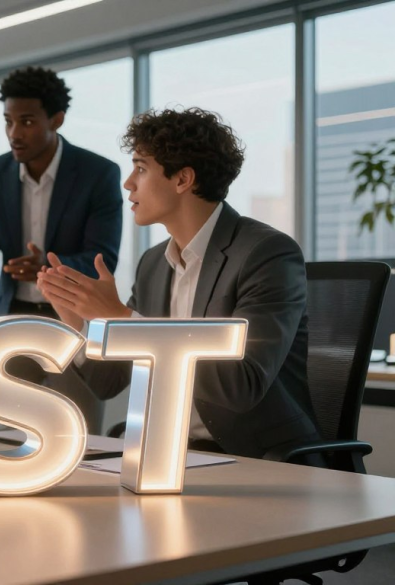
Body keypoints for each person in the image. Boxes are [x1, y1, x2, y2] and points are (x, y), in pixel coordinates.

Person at [37, 107, 321, 458]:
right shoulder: (154, 264)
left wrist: (124, 319)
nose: (128, 182)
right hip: (169, 455)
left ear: (183, 179)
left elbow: (242, 385)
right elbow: (108, 382)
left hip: (257, 459)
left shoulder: (266, 254)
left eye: (141, 168)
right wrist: (80, 321)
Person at [0, 66, 123, 319]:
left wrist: (47, 267)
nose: (14, 133)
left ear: (57, 120)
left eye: (26, 122)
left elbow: (102, 262)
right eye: (8, 121)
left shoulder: (98, 174)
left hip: (73, 315)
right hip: (12, 314)